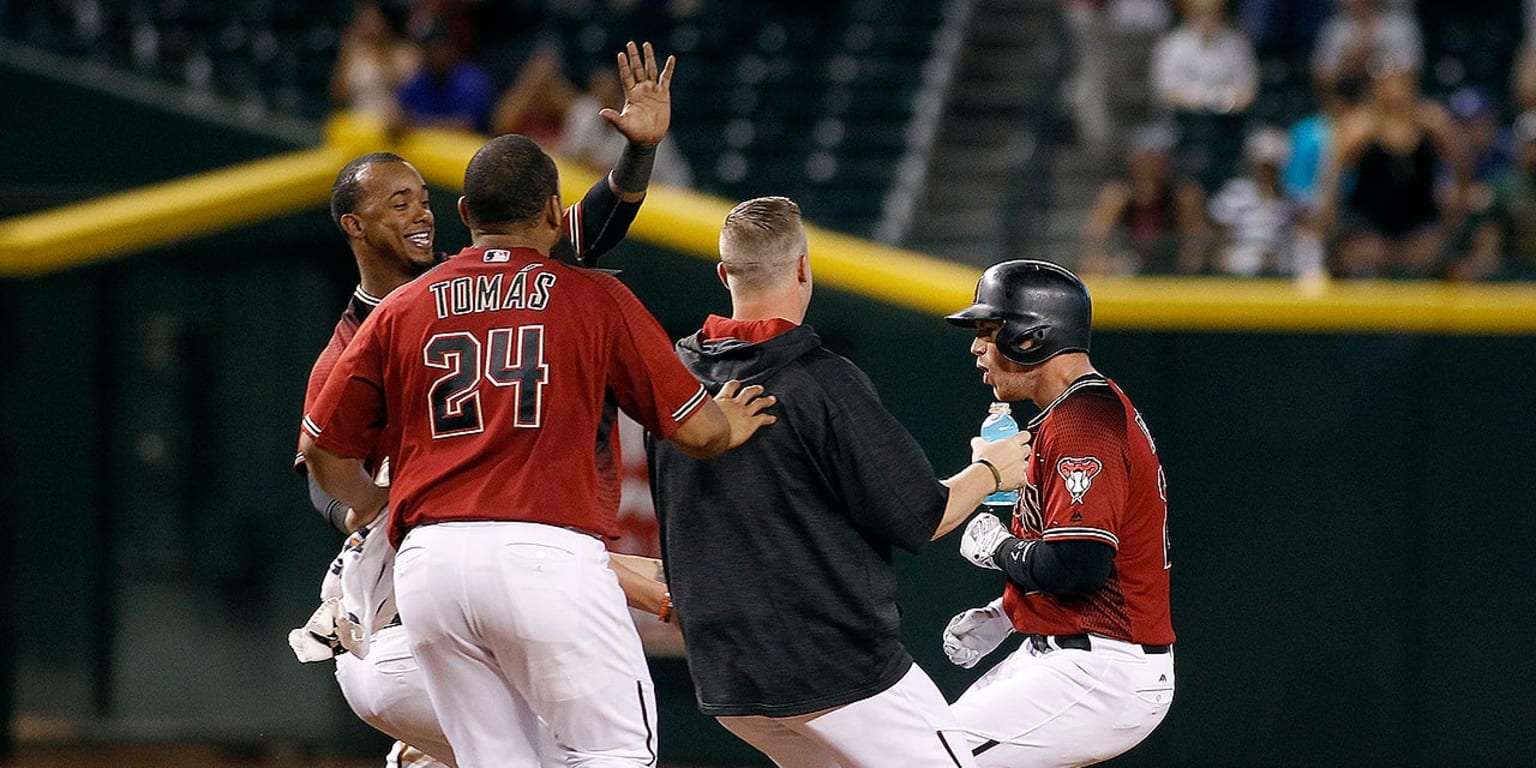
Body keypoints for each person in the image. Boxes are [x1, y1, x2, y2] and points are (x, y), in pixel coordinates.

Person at [300, 112, 778, 768]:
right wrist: (723, 426)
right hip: (521, 569)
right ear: (552, 210)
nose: (418, 212)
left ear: (462, 212)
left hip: (423, 582)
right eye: (398, 201)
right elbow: (697, 432)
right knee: (612, 750)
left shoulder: (403, 311)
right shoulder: (588, 295)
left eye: (422, 197)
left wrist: (375, 507)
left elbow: (323, 451)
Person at [645, 196, 1033, 768]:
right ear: (804, 267)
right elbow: (922, 515)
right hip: (836, 673)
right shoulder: (820, 382)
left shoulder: (674, 384)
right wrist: (992, 471)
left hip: (729, 679)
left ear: (724, 274)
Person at [941, 260, 1175, 767]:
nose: (977, 348)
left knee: (924, 759)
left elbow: (1077, 567)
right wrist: (1007, 615)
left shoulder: (1082, 423)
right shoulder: (1075, 412)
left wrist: (998, 549)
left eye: (989, 330)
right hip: (1073, 655)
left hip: (1101, 670)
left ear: (1031, 337)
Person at [1317, 57, 1470, 278]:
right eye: (1388, 82)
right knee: (1358, 255)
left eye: (1400, 82)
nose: (1394, 90)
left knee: (1440, 255)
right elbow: (1332, 176)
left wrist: (1454, 208)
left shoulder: (1432, 123)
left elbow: (1462, 164)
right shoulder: (1359, 127)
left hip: (1419, 223)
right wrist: (1329, 218)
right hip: (1370, 225)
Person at [1080, 125, 1208, 275]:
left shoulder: (1183, 195)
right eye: (1147, 156)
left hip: (1172, 267)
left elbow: (1196, 241)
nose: (1151, 164)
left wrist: (1187, 262)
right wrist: (1104, 261)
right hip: (1129, 265)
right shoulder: (1117, 195)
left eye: (1158, 157)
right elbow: (1095, 240)